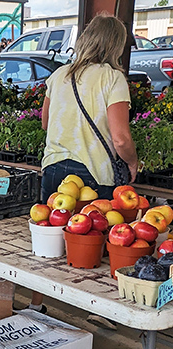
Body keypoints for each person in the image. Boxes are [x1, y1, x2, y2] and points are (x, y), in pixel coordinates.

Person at [28, 14, 138, 321]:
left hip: (54, 168)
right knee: (96, 244)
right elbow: (120, 138)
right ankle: (99, 311)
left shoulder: (59, 74)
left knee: (51, 240)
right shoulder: (112, 78)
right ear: (115, 45)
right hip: (93, 174)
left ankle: (36, 305)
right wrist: (131, 161)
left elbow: (46, 122)